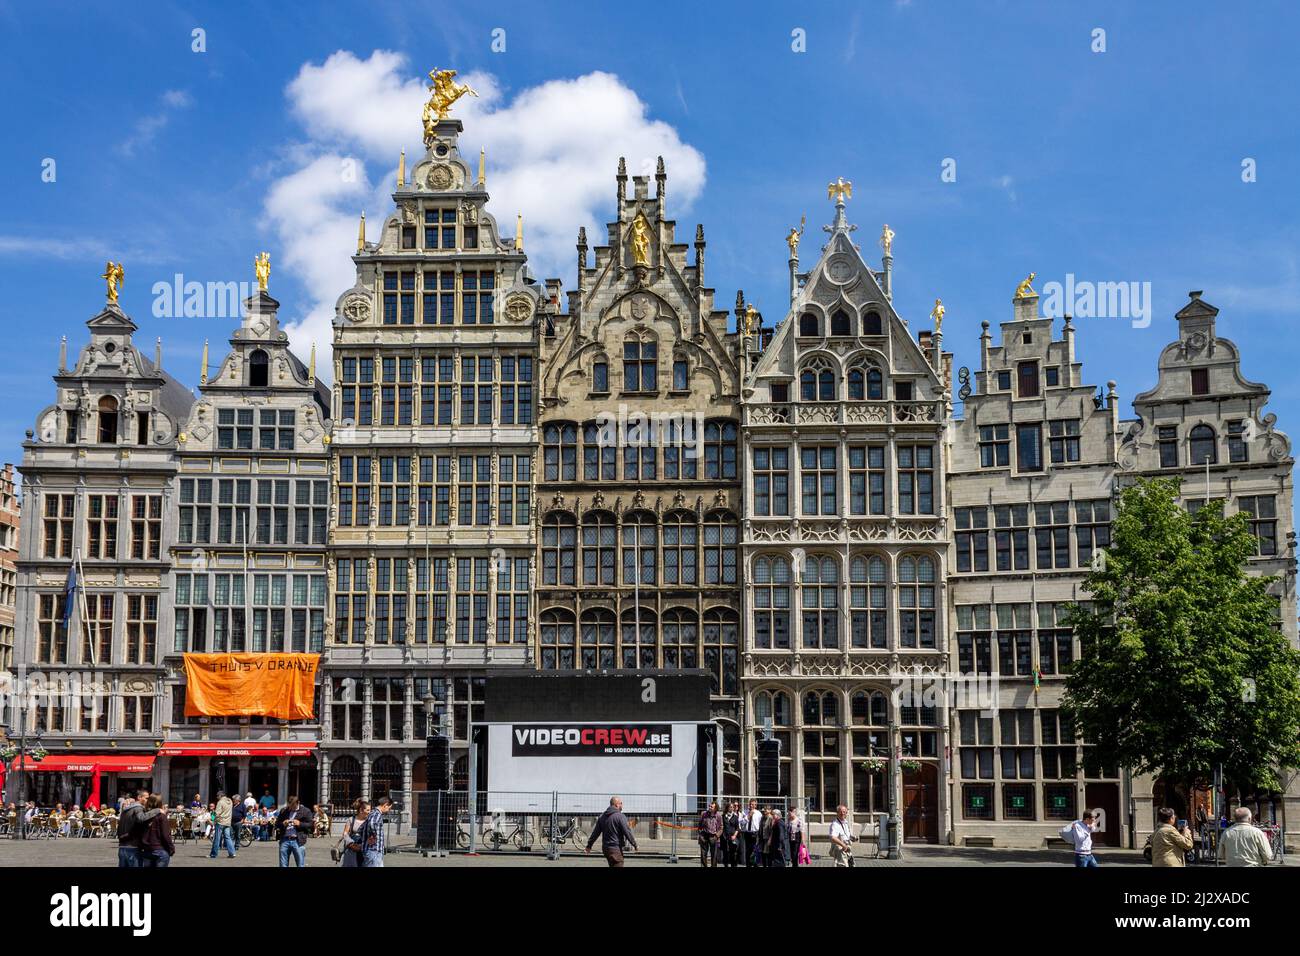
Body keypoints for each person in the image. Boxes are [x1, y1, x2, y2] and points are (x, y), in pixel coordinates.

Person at [585, 796, 639, 867]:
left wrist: (589, 846)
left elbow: (595, 833)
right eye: (621, 803)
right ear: (617, 804)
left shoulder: (602, 816)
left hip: (606, 849)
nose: (622, 805)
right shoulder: (620, 816)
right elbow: (627, 832)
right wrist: (635, 845)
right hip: (615, 849)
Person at [117, 790, 156, 868]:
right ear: (139, 797)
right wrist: (156, 811)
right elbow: (141, 818)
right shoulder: (138, 808)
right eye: (146, 798)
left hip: (122, 847)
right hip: (133, 847)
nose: (148, 800)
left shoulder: (125, 810)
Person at [275, 795, 314, 868]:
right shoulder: (284, 810)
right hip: (285, 840)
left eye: (293, 806)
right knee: (283, 864)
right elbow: (277, 823)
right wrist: (283, 823)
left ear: (298, 803)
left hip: (298, 840)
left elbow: (311, 825)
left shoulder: (305, 811)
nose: (291, 808)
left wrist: (300, 824)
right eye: (290, 806)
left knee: (300, 864)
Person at [139, 795, 175, 867]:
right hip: (159, 849)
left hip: (147, 850)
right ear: (160, 803)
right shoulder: (161, 816)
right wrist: (171, 848)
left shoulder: (145, 816)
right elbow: (165, 835)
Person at [360, 795, 391, 867]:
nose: (389, 810)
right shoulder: (376, 813)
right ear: (385, 805)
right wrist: (373, 836)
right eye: (389, 808)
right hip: (374, 850)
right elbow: (372, 824)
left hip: (373, 850)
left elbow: (362, 828)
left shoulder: (372, 813)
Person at [340, 798, 370, 868]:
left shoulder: (369, 820)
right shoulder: (351, 819)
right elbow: (345, 834)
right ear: (361, 810)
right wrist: (351, 844)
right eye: (368, 810)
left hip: (364, 849)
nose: (369, 812)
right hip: (352, 849)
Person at [210, 790, 237, 859]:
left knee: (217, 838)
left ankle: (213, 854)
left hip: (220, 822)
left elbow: (217, 813)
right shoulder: (230, 801)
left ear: (221, 795)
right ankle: (232, 853)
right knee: (228, 838)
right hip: (227, 822)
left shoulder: (220, 802)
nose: (217, 797)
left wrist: (212, 818)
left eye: (217, 796)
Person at [697, 801, 722, 867]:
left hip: (713, 836)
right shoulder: (704, 814)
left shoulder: (718, 816)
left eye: (711, 807)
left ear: (715, 808)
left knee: (714, 855)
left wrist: (717, 836)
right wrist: (700, 835)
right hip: (704, 835)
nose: (710, 807)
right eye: (709, 806)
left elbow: (721, 828)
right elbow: (699, 825)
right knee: (703, 854)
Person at [741, 799, 762, 868]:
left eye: (753, 804)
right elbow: (742, 822)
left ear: (756, 805)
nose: (751, 806)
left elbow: (760, 824)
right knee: (748, 851)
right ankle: (748, 864)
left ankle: (755, 864)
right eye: (750, 804)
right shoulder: (744, 812)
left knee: (755, 850)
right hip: (747, 833)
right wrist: (749, 815)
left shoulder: (759, 813)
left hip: (755, 833)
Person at [721, 801, 741, 867]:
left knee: (733, 854)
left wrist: (735, 835)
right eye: (730, 807)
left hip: (733, 838)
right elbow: (721, 826)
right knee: (725, 854)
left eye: (732, 807)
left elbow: (737, 828)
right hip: (724, 838)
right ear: (727, 808)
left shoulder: (735, 817)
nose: (732, 808)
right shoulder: (723, 816)